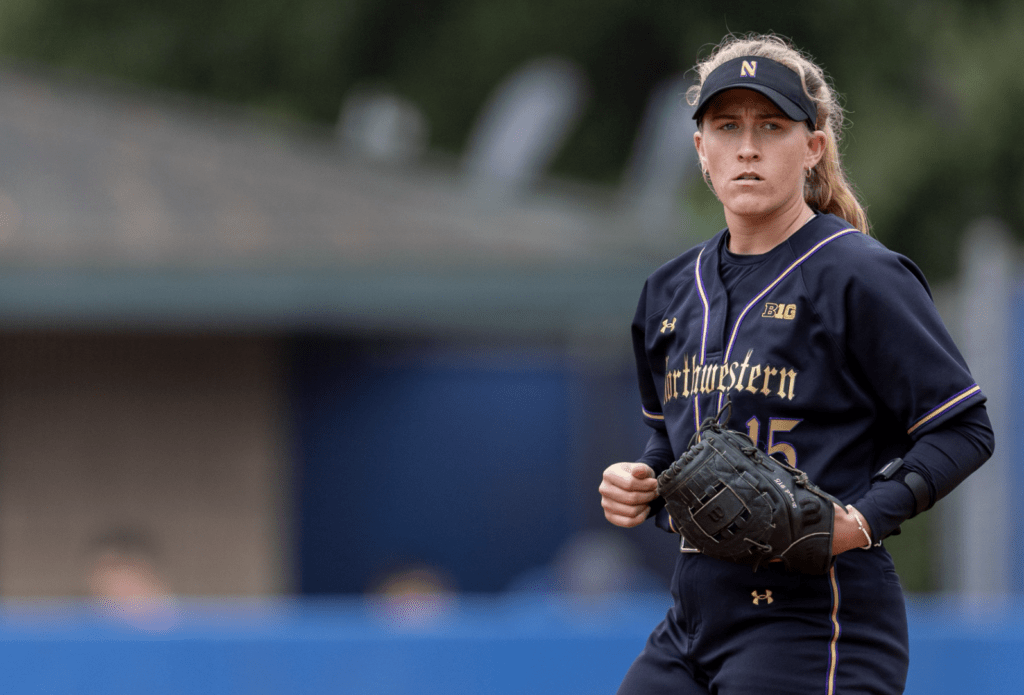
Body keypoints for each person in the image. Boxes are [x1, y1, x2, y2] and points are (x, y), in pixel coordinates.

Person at [598, 33, 994, 695]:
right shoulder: (667, 291)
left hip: (816, 614)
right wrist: (643, 481)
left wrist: (863, 518)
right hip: (694, 612)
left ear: (812, 146)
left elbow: (964, 429)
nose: (747, 146)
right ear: (701, 149)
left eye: (771, 126)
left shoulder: (859, 275)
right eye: (727, 126)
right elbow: (672, 446)